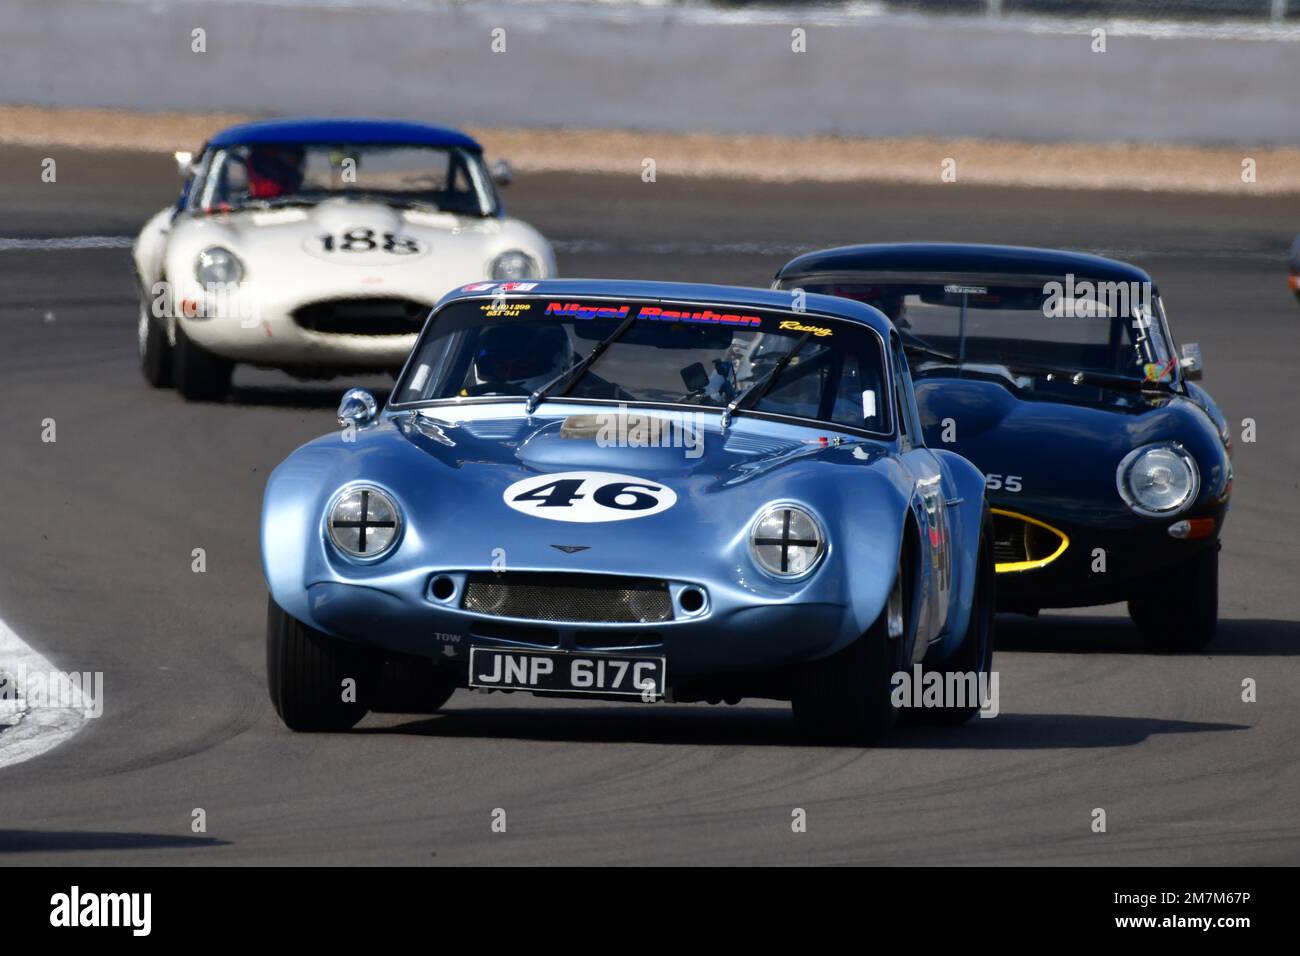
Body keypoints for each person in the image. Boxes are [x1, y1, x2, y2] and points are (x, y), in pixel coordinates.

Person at [466, 323, 572, 394]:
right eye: (501, 368)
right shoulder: (460, 402)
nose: (508, 374)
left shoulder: (585, 401)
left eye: (521, 368)